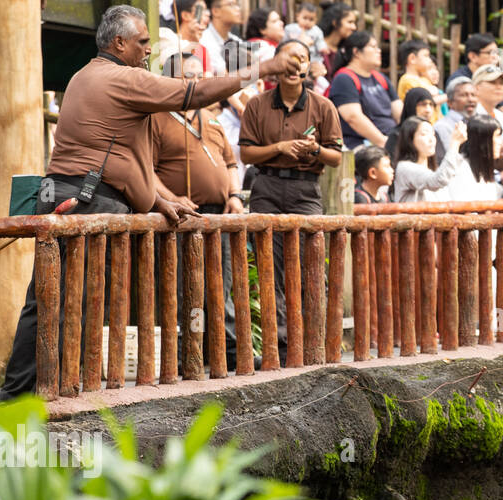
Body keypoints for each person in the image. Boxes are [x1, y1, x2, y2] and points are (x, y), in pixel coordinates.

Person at [0, 6, 304, 400]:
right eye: (143, 42)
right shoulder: (122, 78)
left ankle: (31, 391)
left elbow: (118, 157)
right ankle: (30, 395)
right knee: (65, 300)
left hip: (74, 195)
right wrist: (263, 68)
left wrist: (158, 200)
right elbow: (190, 94)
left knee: (58, 298)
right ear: (119, 43)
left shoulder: (85, 75)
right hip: (85, 201)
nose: (148, 50)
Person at [238, 41, 344, 361]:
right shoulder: (256, 105)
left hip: (305, 189)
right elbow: (246, 154)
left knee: (310, 265)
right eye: (289, 58)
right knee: (272, 268)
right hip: (267, 186)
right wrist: (279, 148)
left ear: (309, 67)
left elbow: (336, 157)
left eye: (302, 59)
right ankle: (278, 346)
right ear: (276, 64)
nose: (295, 65)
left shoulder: (323, 107)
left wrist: (313, 150)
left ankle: (313, 343)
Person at [149, 101, 242, 369]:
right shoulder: (157, 118)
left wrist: (235, 195)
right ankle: (183, 353)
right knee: (181, 287)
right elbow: (147, 170)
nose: (192, 81)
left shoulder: (211, 118)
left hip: (217, 215)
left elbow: (231, 163)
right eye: (185, 75)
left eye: (196, 75)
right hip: (177, 217)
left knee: (219, 284)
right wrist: (172, 198)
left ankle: (227, 351)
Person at [328, 31, 400, 149]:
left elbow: (399, 111)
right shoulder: (344, 79)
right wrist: (383, 142)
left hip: (391, 139)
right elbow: (353, 117)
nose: (379, 51)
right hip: (363, 144)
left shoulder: (380, 78)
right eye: (373, 47)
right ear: (356, 52)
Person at [392, 117, 467, 202]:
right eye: (424, 134)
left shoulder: (435, 170)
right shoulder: (404, 167)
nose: (431, 139)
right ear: (410, 139)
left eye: (433, 134)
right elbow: (438, 180)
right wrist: (455, 143)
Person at [472, 63, 503, 175]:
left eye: (501, 83)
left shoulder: (502, 117)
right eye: (492, 82)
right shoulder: (470, 116)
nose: (498, 87)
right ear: (476, 87)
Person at [448, 115, 503, 201]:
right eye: (497, 136)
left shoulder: (483, 168)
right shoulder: (461, 170)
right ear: (483, 141)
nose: (500, 142)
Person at [434, 77, 478, 164]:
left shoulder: (479, 122)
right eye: (464, 95)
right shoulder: (442, 127)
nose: (470, 99)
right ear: (450, 102)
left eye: (473, 95)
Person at [386, 87, 437, 161]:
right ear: (411, 105)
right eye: (423, 104)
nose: (428, 110)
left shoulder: (432, 134)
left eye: (431, 105)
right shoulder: (397, 136)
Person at [318, 2, 357, 84]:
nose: (354, 27)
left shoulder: (345, 51)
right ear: (335, 23)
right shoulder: (318, 47)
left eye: (354, 23)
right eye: (350, 22)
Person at [396, 38, 444, 103]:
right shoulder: (407, 80)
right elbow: (425, 101)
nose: (429, 60)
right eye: (426, 56)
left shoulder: (424, 79)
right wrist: (448, 97)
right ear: (412, 58)